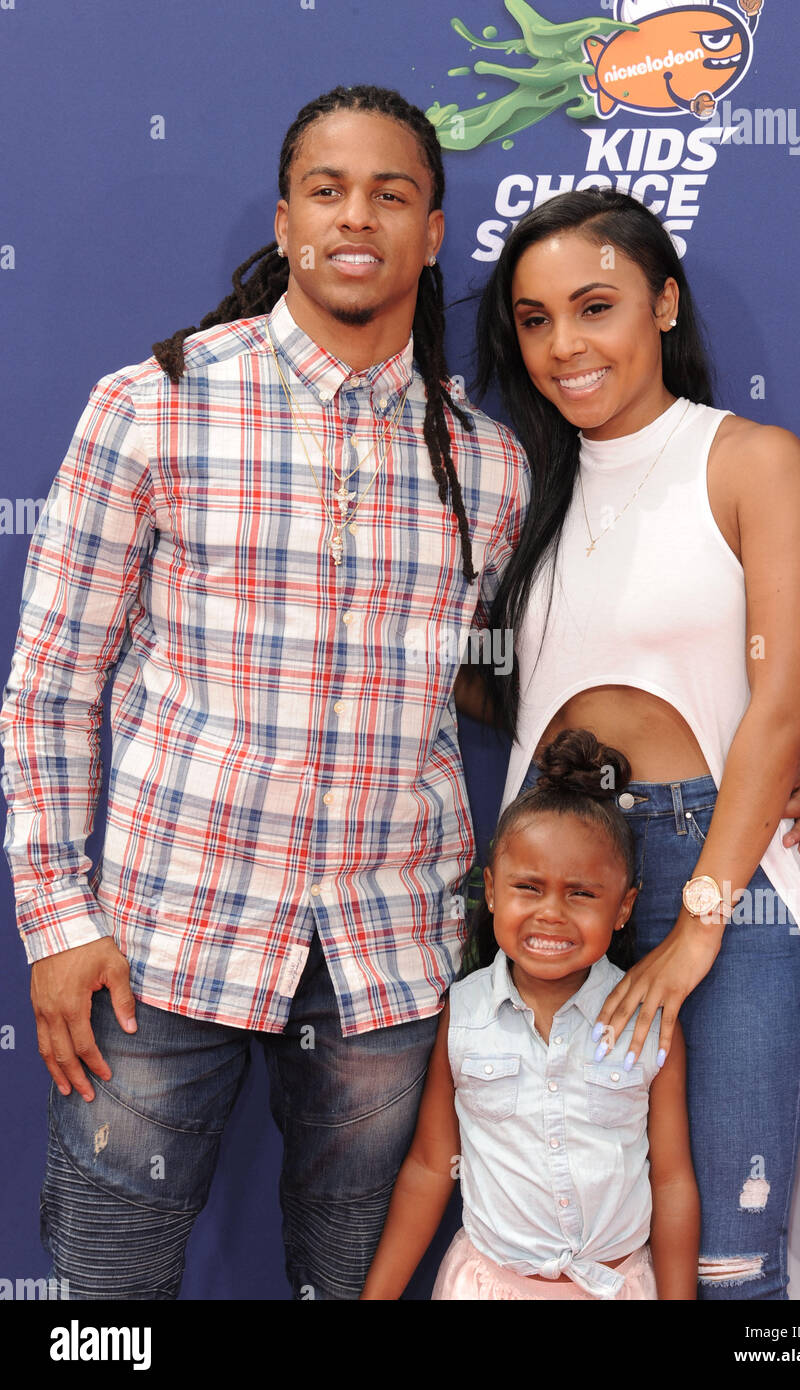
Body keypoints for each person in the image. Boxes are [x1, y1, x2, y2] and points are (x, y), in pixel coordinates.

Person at [0, 85, 530, 1300]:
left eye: (392, 194)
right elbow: (47, 686)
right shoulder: (155, 404)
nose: (359, 217)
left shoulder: (488, 467)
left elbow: (532, 672)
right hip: (158, 940)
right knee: (107, 1289)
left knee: (353, 1282)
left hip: (387, 958)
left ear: (434, 232)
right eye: (328, 189)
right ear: (289, 215)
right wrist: (56, 919)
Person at [470, 188, 800, 1299]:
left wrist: (695, 928)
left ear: (665, 304)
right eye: (534, 320)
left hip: (717, 877)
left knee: (730, 1267)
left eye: (596, 306)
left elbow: (780, 710)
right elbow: (508, 685)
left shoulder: (748, 461)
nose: (564, 345)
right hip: (553, 887)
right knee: (573, 1254)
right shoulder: (519, 486)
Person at [361, 728, 700, 1300]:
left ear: (624, 907)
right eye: (528, 887)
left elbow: (671, 1181)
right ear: (491, 891)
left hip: (617, 1286)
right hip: (490, 1287)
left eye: (581, 894)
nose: (551, 914)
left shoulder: (649, 1020)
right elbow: (428, 1166)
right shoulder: (464, 1014)